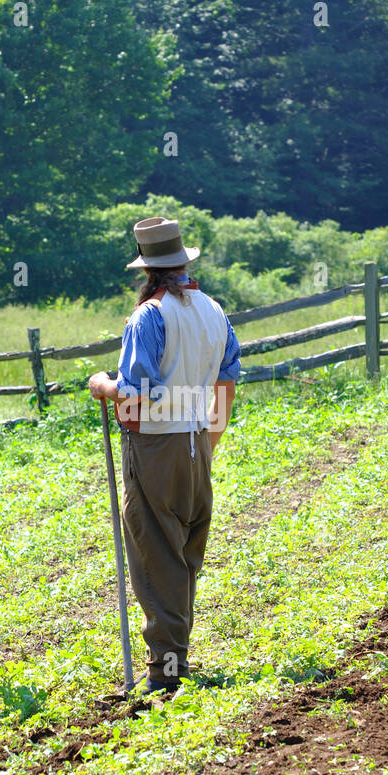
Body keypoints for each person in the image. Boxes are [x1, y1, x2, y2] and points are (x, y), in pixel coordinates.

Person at [88, 217, 241, 695]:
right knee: (184, 552)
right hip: (196, 438)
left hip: (156, 444)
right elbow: (228, 378)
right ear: (181, 263)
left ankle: (165, 669)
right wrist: (210, 437)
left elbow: (139, 393)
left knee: (157, 555)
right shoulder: (213, 310)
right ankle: (177, 656)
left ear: (147, 270)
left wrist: (103, 386)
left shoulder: (148, 316)